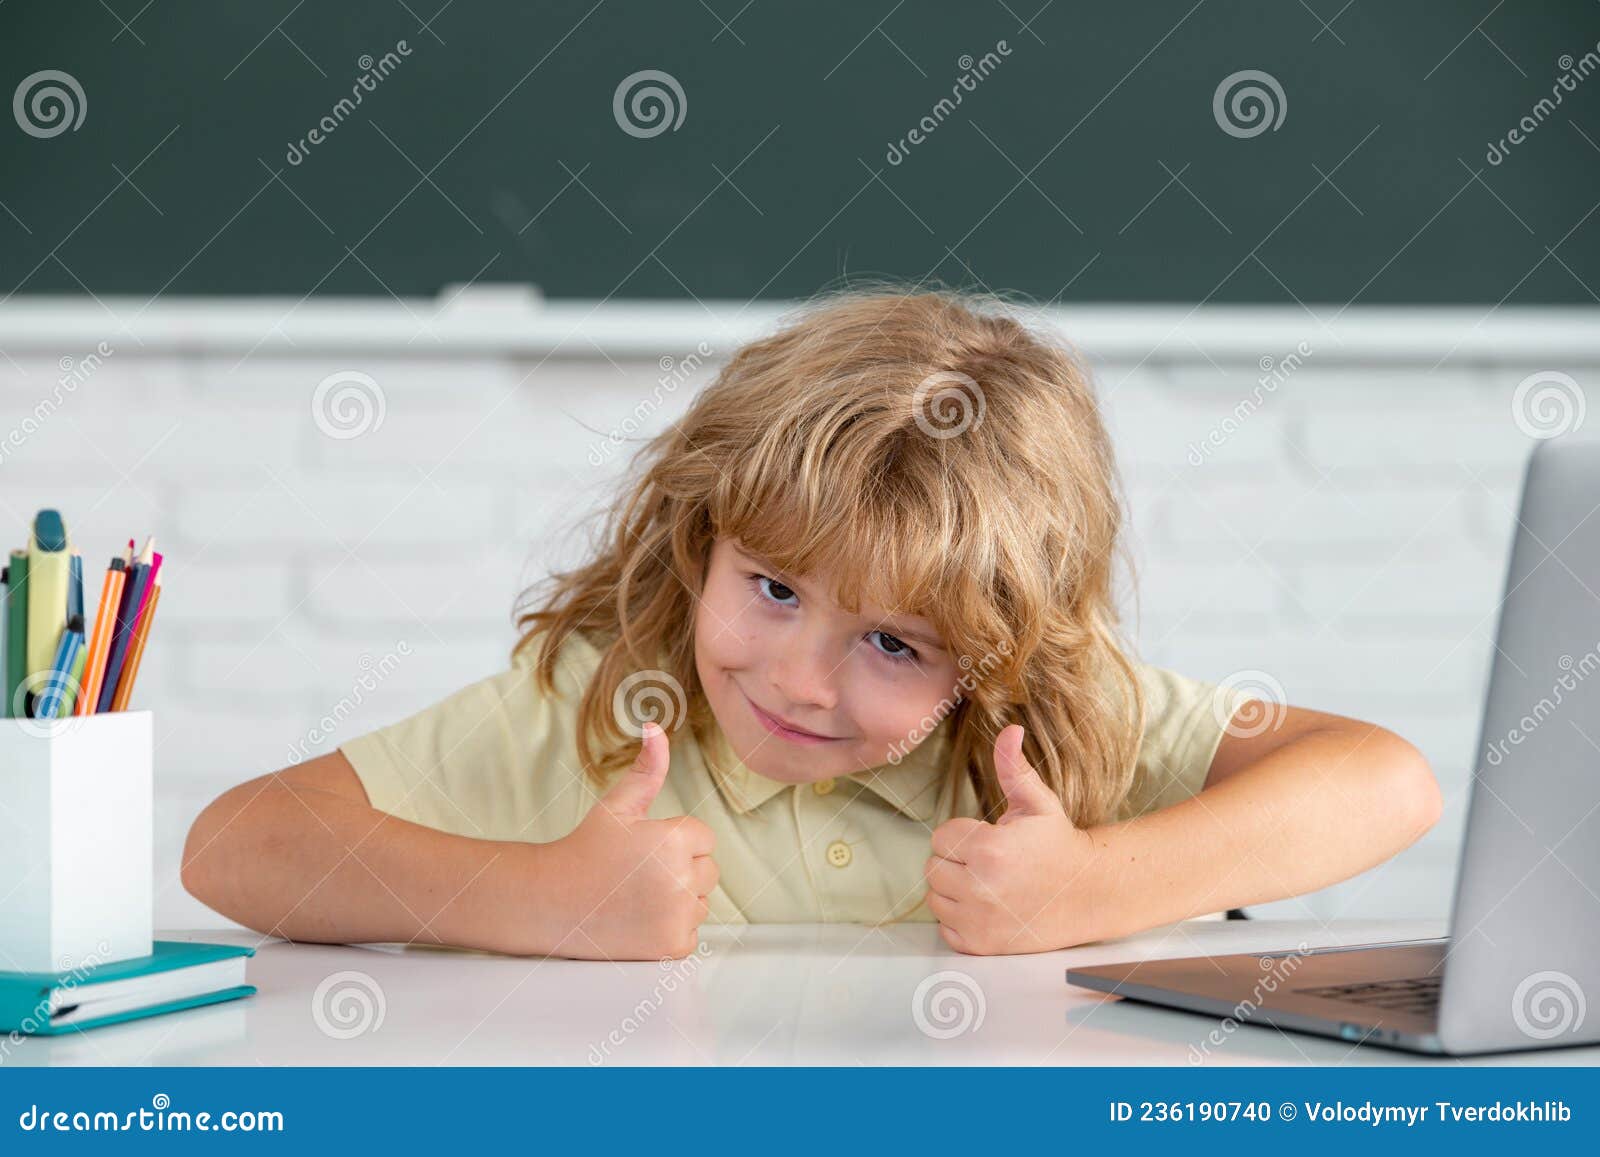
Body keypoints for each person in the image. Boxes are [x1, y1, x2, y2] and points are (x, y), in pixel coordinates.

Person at [181, 286, 1441, 959]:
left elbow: (1385, 782)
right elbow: (236, 844)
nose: (795, 674)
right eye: (773, 588)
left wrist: (1094, 885)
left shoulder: (1050, 723)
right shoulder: (614, 693)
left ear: (995, 658)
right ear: (700, 537)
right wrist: (543, 898)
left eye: (893, 643)